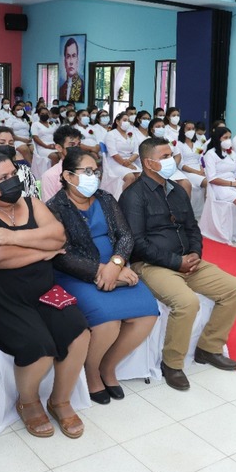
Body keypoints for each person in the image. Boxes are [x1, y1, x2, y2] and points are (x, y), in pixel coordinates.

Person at [0, 149, 90, 438]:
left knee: (79, 334)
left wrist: (12, 237)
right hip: (0, 298)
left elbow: (59, 235)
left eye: (13, 174)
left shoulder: (31, 202)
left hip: (44, 290)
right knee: (38, 347)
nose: (11, 181)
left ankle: (60, 400)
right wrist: (44, 250)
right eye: (2, 178)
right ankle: (28, 402)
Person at [119, 137, 236, 391]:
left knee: (234, 288)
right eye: (164, 157)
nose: (171, 160)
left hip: (188, 261)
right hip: (152, 265)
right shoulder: (133, 196)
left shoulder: (176, 190)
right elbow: (137, 243)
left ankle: (208, 348)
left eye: (171, 155)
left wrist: (195, 253)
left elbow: (192, 228)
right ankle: (172, 364)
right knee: (187, 302)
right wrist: (176, 262)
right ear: (148, 162)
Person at [47, 149, 158, 404]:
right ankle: (91, 370)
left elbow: (125, 236)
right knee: (108, 322)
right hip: (77, 273)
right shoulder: (55, 208)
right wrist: (100, 270)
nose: (93, 177)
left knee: (147, 314)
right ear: (68, 176)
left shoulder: (105, 198)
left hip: (116, 267)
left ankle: (107, 367)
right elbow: (59, 255)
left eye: (96, 171)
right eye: (87, 172)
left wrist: (116, 264)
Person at [40, 126, 81, 202]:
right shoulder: (50, 176)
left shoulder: (86, 169)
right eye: (72, 145)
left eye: (78, 144)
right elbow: (49, 206)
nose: (76, 148)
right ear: (59, 147)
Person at [104, 112, 141, 191]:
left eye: (128, 120)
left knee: (141, 176)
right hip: (115, 162)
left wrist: (129, 161)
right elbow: (113, 153)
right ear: (117, 122)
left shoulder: (131, 135)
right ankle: (124, 199)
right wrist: (125, 164)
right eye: (124, 120)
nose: (127, 122)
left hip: (129, 161)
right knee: (130, 177)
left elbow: (136, 152)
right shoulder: (111, 134)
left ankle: (136, 199)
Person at [177, 120, 207, 191]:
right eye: (188, 129)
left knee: (213, 180)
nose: (191, 131)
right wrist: (197, 172)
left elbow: (200, 160)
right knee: (207, 182)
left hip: (199, 170)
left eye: (193, 129)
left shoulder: (198, 144)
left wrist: (202, 171)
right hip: (187, 172)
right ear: (183, 130)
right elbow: (181, 165)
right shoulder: (179, 144)